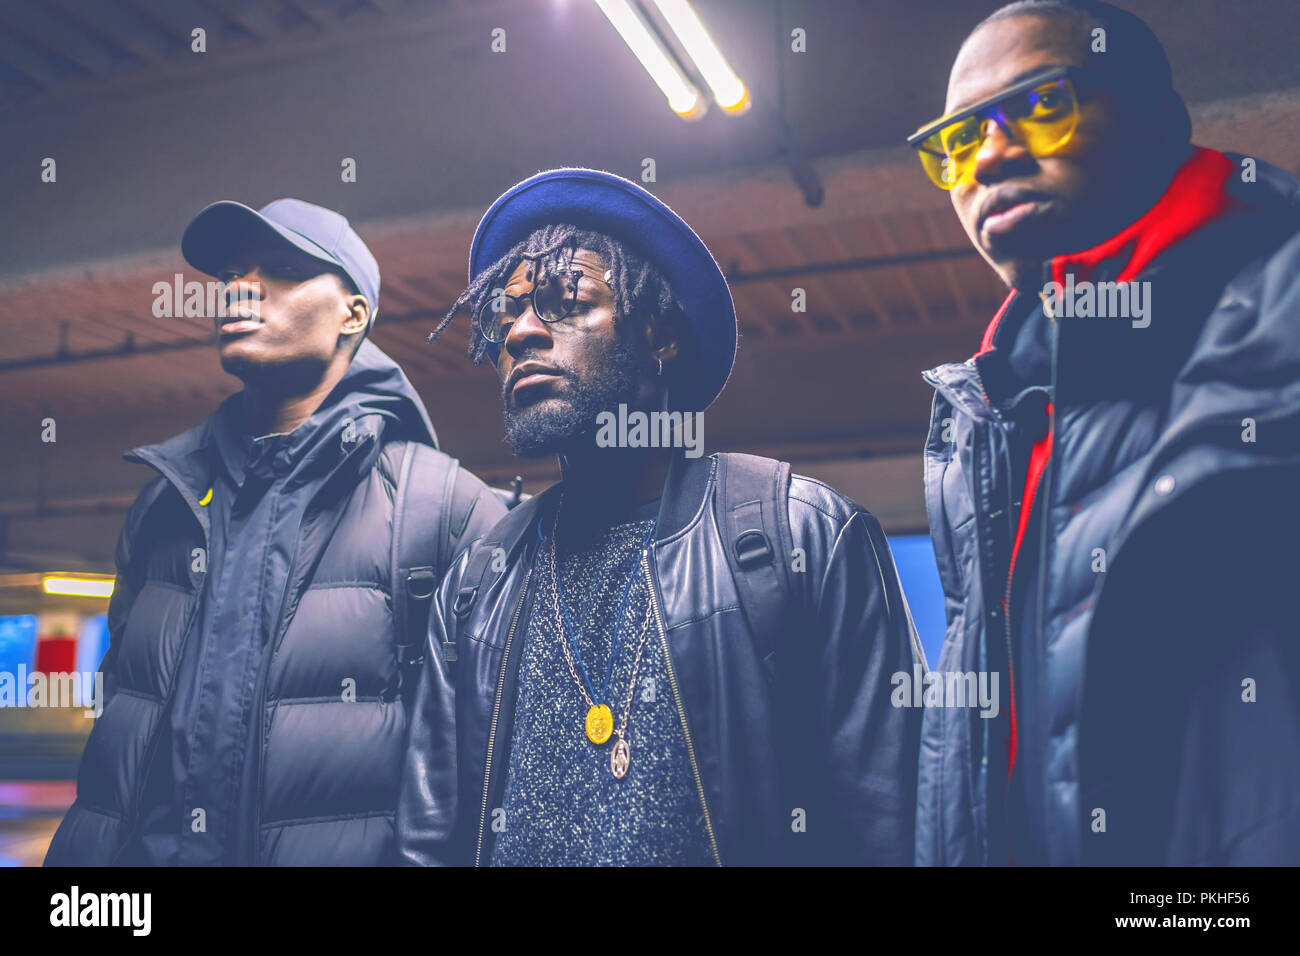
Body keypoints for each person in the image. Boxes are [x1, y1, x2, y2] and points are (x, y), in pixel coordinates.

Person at [398, 167, 924, 866]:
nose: (521, 331)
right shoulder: (479, 582)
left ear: (658, 333)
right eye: (507, 313)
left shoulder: (796, 534)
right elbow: (428, 846)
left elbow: (893, 827)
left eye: (564, 302)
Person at [908, 0, 1300, 865]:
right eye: (958, 141)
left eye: (1043, 104)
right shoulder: (993, 414)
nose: (993, 155)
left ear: (1158, 121)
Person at [45, 198, 505, 866]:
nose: (243, 287)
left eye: (285, 270)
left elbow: (488, 768)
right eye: (234, 271)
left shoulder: (445, 509)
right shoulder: (162, 508)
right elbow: (124, 727)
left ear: (355, 314)